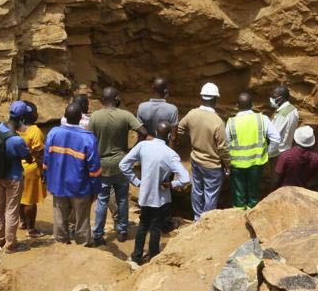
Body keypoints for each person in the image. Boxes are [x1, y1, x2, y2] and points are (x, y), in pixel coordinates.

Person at [119, 121, 189, 265]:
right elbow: (185, 178)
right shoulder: (170, 154)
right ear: (169, 136)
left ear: (156, 132)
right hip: (160, 196)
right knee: (156, 226)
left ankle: (136, 256)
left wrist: (136, 181)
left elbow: (123, 165)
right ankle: (152, 255)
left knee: (143, 224)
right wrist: (171, 184)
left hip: (145, 194)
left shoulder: (143, 146)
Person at [89, 87, 147, 246]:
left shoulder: (95, 117)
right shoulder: (125, 115)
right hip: (121, 163)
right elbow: (143, 131)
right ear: (115, 98)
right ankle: (122, 231)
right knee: (122, 199)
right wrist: (132, 150)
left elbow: (90, 140)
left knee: (102, 200)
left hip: (102, 164)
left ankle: (98, 234)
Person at [45, 101, 102, 246]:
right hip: (80, 187)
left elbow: (46, 161)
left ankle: (61, 244)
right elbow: (94, 168)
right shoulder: (88, 138)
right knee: (82, 219)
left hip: (58, 185)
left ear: (65, 116)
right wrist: (95, 189)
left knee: (59, 218)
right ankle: (82, 246)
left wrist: (48, 181)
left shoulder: (53, 133)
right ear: (80, 118)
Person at [176, 82, 229, 220]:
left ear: (201, 97)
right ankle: (206, 220)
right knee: (210, 194)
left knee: (197, 190)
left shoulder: (192, 114)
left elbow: (179, 129)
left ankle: (197, 218)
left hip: (196, 160)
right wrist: (228, 165)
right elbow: (223, 148)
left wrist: (193, 136)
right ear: (215, 99)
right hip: (213, 165)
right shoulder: (218, 121)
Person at [0, 101, 33, 252]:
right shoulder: (17, 140)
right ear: (22, 118)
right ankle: (11, 244)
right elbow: (28, 158)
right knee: (11, 210)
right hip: (13, 177)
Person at [225, 92, 280, 210]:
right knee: (254, 192)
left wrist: (227, 162)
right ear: (252, 105)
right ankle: (252, 213)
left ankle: (238, 213)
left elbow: (227, 144)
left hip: (237, 164)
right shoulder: (262, 119)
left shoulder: (231, 122)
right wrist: (267, 153)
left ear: (237, 105)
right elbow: (276, 139)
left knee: (238, 194)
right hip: (257, 163)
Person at [17, 101, 46, 239]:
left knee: (20, 197)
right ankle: (32, 229)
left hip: (17, 166)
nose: (37, 114)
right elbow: (39, 154)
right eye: (35, 112)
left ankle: (22, 222)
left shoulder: (16, 128)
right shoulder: (35, 131)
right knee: (30, 200)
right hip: (30, 169)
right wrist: (44, 171)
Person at [137, 77, 179, 145]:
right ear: (166, 91)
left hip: (146, 146)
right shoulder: (172, 109)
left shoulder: (142, 107)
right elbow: (173, 137)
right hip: (164, 146)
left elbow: (140, 133)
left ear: (152, 88)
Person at [267, 86, 299, 163]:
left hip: (277, 154)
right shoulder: (292, 108)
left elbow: (274, 135)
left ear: (281, 98)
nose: (271, 99)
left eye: (273, 97)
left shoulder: (283, 113)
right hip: (286, 150)